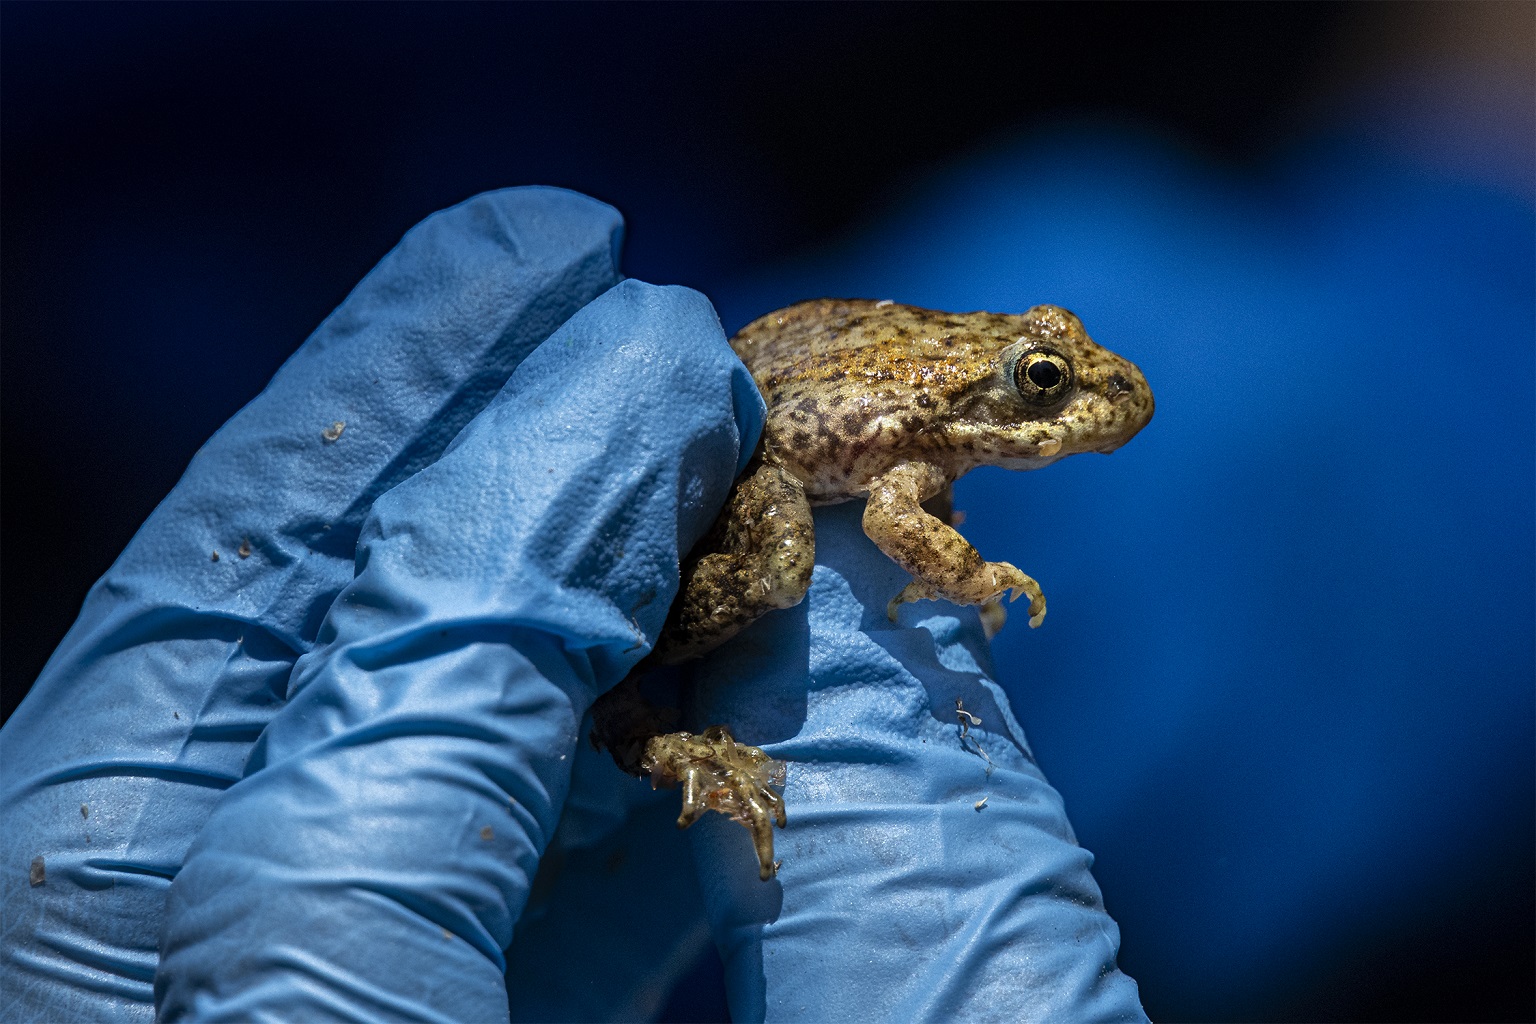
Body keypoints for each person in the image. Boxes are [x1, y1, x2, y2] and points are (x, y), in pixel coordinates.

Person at [0, 187, 1145, 1022]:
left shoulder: (937, 426)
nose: (1073, 405)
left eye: (1056, 375)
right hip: (759, 455)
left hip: (773, 373)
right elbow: (896, 523)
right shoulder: (912, 460)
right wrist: (969, 572)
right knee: (788, 566)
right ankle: (644, 718)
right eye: (1047, 386)